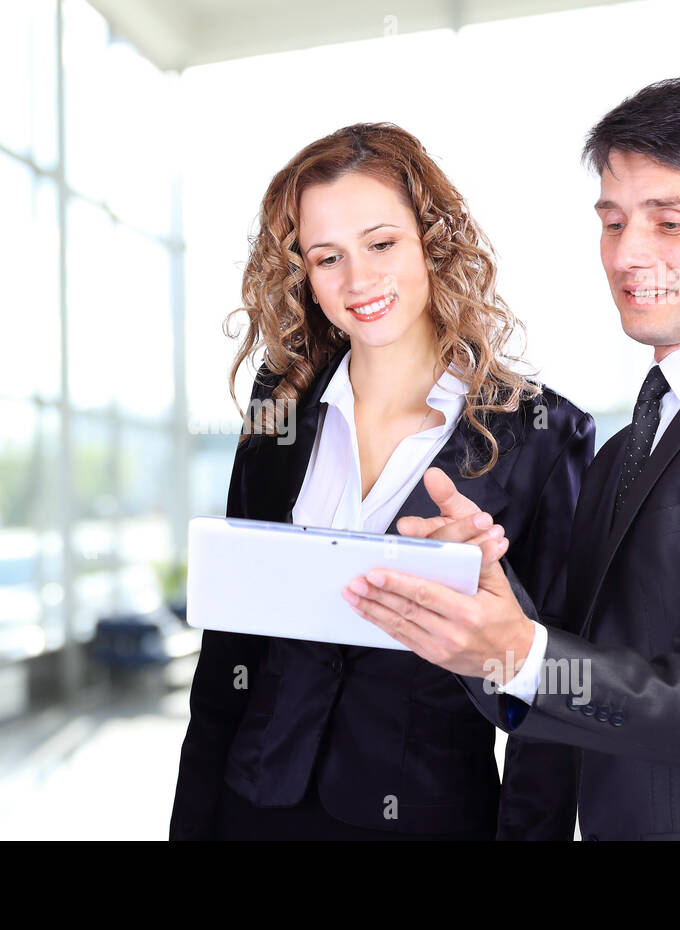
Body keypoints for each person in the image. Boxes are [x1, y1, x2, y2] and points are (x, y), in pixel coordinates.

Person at [347, 78, 680, 840]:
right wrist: (492, 607)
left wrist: (524, 651)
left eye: (669, 222)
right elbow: (574, 684)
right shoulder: (627, 449)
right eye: (612, 223)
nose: (628, 254)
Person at [169, 122, 595, 840]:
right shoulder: (282, 409)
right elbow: (228, 658)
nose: (358, 280)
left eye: (381, 243)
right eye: (326, 256)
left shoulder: (546, 437)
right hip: (255, 810)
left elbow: (547, 716)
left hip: (429, 819)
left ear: (432, 240)